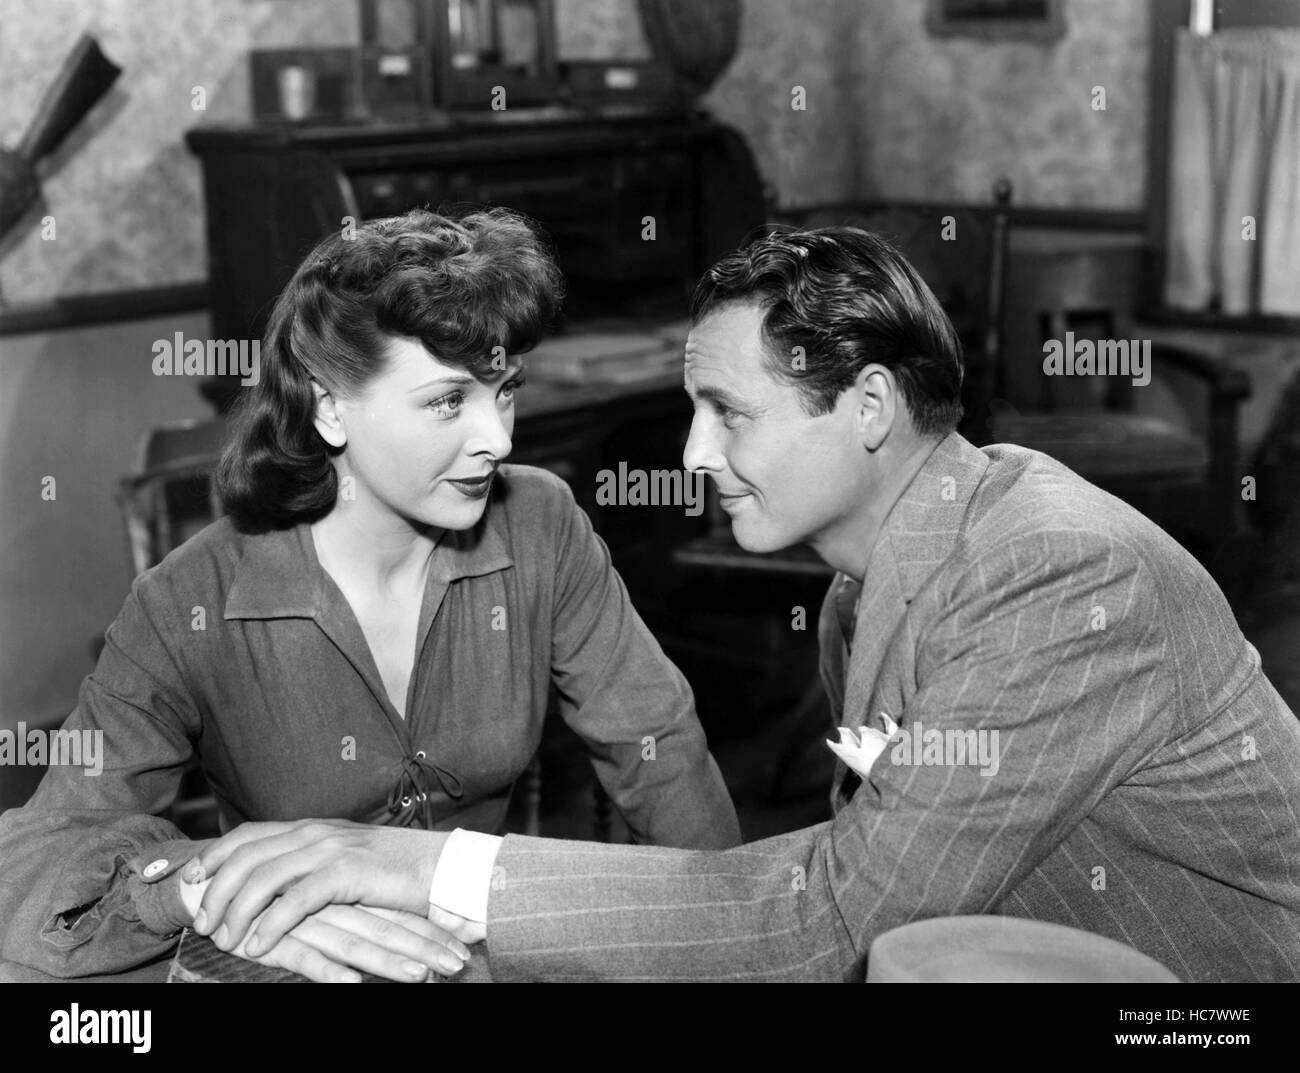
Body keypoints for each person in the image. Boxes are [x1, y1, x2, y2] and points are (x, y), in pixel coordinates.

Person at [191, 225, 1300, 983]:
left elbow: (833, 920)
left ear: (866, 405)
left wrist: (414, 865)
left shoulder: (1054, 573)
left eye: (728, 412)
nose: (691, 453)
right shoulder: (889, 572)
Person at [0, 208, 740, 982]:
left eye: (505, 390)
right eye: (449, 401)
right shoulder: (189, 599)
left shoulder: (540, 525)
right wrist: (218, 888)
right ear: (327, 407)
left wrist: (740, 941)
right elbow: (34, 865)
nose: (499, 438)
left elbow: (658, 750)